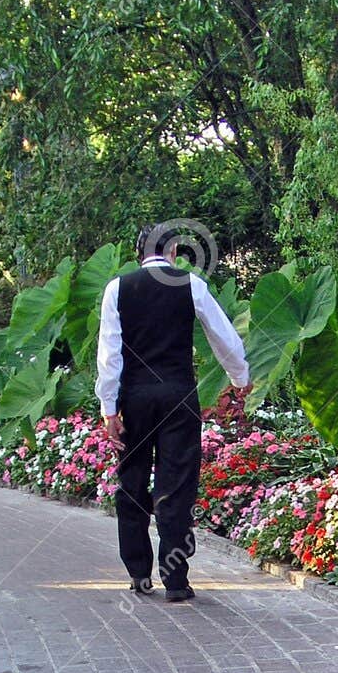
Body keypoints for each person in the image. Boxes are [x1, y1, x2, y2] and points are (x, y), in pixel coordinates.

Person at [95, 223, 250, 602]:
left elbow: (109, 356)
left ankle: (138, 574)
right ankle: (176, 579)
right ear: (175, 250)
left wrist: (109, 409)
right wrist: (239, 376)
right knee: (176, 484)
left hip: (134, 398)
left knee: (131, 483)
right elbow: (222, 334)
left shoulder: (117, 288)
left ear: (137, 252)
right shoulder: (190, 285)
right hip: (179, 394)